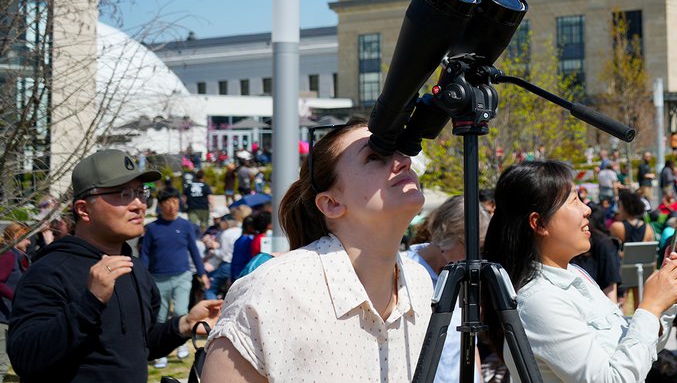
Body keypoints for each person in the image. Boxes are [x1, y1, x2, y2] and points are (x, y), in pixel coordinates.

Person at [202, 120, 433, 382]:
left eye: (401, 152)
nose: (404, 162)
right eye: (374, 157)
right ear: (331, 203)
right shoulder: (270, 291)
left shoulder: (420, 283)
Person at [7, 149, 221, 382]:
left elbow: (138, 346)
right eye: (123, 194)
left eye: (141, 193)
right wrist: (90, 303)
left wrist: (184, 325)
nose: (138, 204)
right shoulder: (49, 270)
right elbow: (24, 358)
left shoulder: (134, 268)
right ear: (83, 209)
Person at [481, 160, 677, 382]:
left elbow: (638, 354)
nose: (587, 209)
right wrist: (650, 306)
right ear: (539, 223)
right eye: (574, 201)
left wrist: (662, 300)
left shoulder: (576, 275)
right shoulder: (538, 301)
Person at [404, 195, 485, 383]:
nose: (478, 256)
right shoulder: (404, 270)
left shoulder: (461, 274)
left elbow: (469, 342)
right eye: (475, 246)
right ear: (449, 236)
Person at [141, 187, 210, 367]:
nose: (171, 206)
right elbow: (145, 254)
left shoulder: (186, 226)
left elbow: (194, 251)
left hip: (182, 275)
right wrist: (143, 277)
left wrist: (203, 274)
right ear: (160, 205)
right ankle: (161, 352)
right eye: (167, 202)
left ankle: (181, 345)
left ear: (179, 202)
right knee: (161, 316)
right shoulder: (152, 228)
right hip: (158, 278)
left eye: (174, 201)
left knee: (181, 312)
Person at [0, 223, 32, 375]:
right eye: (26, 239)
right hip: (2, 318)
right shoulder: (9, 255)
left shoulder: (16, 256)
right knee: (1, 364)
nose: (29, 242)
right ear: (16, 237)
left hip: (7, 317)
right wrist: (16, 298)